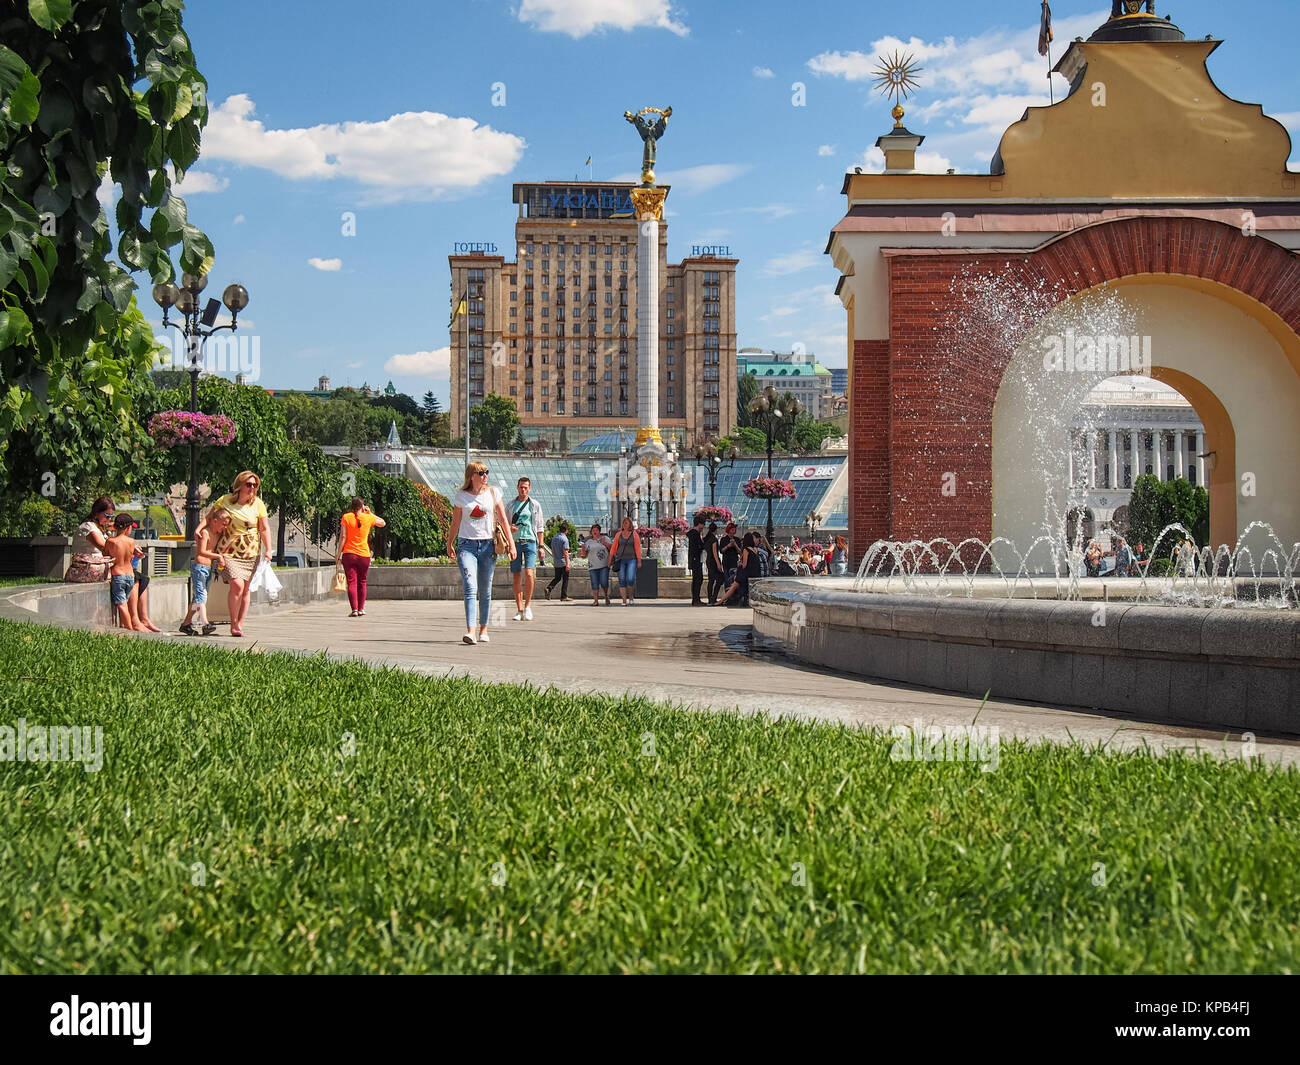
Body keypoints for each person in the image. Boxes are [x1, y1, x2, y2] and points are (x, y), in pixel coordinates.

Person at [449, 461, 516, 645]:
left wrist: (512, 544)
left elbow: (503, 519)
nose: (485, 475)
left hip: (488, 546)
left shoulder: (493, 493)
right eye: (481, 472)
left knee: (485, 590)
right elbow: (455, 522)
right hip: (466, 546)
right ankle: (470, 631)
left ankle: (484, 629)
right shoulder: (461, 496)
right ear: (472, 476)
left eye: (486, 472)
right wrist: (449, 543)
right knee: (470, 586)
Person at [203, 470, 272, 638]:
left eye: (255, 485)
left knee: (246, 589)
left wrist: (269, 549)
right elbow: (210, 517)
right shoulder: (225, 500)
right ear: (239, 485)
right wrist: (199, 530)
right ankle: (233, 622)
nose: (252, 488)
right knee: (237, 585)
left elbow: (263, 528)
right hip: (228, 551)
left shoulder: (258, 504)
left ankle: (240, 624)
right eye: (248, 484)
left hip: (251, 551)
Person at [180, 508, 230, 636]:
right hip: (200, 567)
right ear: (214, 521)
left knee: (198, 598)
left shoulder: (217, 534)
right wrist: (218, 556)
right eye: (223, 524)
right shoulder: (205, 533)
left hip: (207, 568)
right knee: (201, 596)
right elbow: (202, 551)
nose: (225, 527)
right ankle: (205, 623)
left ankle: (186, 624)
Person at [337, 495, 386, 617]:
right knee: (362, 581)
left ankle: (354, 610)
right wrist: (370, 513)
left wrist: (338, 554)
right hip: (364, 554)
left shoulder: (346, 517)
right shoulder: (368, 518)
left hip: (349, 554)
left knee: (352, 582)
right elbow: (382, 523)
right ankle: (361, 609)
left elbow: (343, 537)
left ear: (352, 506)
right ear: (362, 506)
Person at [508, 477, 545, 621]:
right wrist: (509, 529)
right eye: (521, 487)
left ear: (529, 488)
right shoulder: (511, 505)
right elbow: (503, 523)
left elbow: (540, 526)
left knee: (529, 573)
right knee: (516, 575)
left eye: (526, 487)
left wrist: (541, 546)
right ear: (517, 487)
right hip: (515, 542)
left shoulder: (534, 505)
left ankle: (528, 606)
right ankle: (519, 609)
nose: (523, 490)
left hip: (530, 541)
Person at [104, 513, 146, 631]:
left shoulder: (111, 541)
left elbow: (105, 556)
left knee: (122, 606)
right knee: (125, 603)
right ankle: (123, 627)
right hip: (130, 576)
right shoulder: (131, 541)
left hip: (118, 575)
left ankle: (129, 630)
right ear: (128, 528)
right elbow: (131, 556)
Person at [65, 496, 115, 583]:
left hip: (97, 568)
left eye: (111, 516)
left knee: (138, 578)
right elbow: (104, 547)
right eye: (107, 516)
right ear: (96, 513)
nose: (109, 519)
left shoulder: (100, 528)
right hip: (86, 568)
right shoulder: (88, 527)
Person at [717, 532, 761, 607]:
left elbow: (744, 565)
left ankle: (721, 600)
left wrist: (739, 564)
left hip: (747, 574)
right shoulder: (755, 550)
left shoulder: (746, 550)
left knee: (734, 585)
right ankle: (724, 599)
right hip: (755, 573)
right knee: (734, 584)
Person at [610, 516, 642, 606]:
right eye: (624, 523)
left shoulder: (634, 535)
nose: (624, 524)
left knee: (630, 579)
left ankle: (631, 597)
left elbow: (637, 548)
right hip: (620, 560)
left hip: (632, 559)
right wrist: (610, 559)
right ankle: (624, 600)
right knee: (622, 579)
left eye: (626, 523)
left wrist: (639, 561)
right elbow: (613, 548)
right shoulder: (618, 534)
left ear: (630, 524)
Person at [580, 523, 612, 606]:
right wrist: (583, 550)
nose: (594, 532)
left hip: (604, 565)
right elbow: (584, 555)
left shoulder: (605, 538)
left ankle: (606, 595)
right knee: (594, 583)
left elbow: (612, 549)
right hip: (593, 566)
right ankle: (596, 600)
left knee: (604, 582)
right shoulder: (588, 542)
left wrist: (605, 543)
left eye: (596, 530)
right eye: (593, 530)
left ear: (599, 531)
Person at [544, 519, 573, 602]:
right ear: (566, 530)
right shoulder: (564, 539)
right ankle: (564, 596)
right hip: (563, 562)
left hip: (556, 562)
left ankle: (549, 588)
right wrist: (567, 564)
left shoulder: (554, 538)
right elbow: (566, 552)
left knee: (557, 578)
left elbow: (552, 551)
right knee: (565, 579)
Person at [687, 514, 706, 605]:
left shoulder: (693, 533)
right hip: (696, 559)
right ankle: (696, 599)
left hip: (694, 559)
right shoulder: (695, 534)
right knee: (698, 578)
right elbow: (699, 547)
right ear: (699, 524)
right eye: (703, 524)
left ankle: (696, 598)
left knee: (697, 578)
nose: (703, 526)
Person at [703, 522, 723, 604]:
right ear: (715, 530)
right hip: (714, 561)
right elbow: (715, 553)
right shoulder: (714, 539)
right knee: (720, 579)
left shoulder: (706, 539)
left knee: (711, 580)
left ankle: (710, 598)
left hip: (709, 560)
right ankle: (713, 597)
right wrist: (718, 564)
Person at [718, 522, 741, 591]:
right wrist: (728, 546)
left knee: (734, 579)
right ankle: (727, 594)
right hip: (726, 562)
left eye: (734, 530)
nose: (733, 531)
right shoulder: (724, 539)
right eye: (732, 530)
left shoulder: (737, 539)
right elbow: (721, 551)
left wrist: (735, 545)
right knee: (727, 579)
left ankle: (733, 594)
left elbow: (740, 552)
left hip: (734, 562)